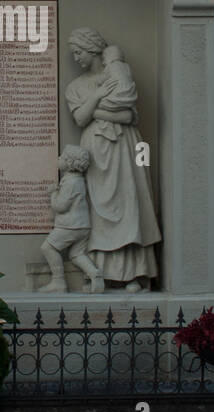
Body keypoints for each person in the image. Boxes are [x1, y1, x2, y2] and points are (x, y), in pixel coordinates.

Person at [63, 27, 161, 291]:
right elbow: (81, 118)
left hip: (125, 147)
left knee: (129, 203)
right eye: (73, 54)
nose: (76, 58)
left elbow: (129, 116)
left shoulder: (119, 75)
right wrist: (97, 97)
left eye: (79, 52)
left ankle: (133, 274)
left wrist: (95, 110)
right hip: (95, 150)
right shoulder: (75, 87)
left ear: (93, 49)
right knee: (99, 209)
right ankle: (101, 273)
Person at [39, 145, 104, 293]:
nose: (58, 158)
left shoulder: (70, 183)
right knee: (76, 254)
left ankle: (58, 282)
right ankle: (94, 273)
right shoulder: (79, 180)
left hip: (70, 226)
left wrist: (53, 193)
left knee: (48, 248)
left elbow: (60, 206)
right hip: (83, 226)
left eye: (61, 157)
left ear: (69, 163)